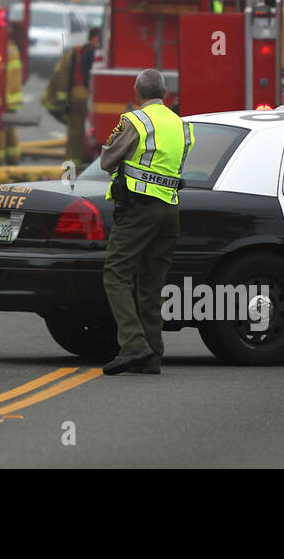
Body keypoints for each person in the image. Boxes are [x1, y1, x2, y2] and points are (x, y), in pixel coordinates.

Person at [99, 69, 194, 376]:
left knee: (116, 273)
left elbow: (107, 160)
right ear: (165, 93)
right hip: (170, 210)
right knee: (151, 283)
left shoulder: (135, 120)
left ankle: (133, 344)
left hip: (140, 208)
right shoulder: (181, 124)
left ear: (137, 92)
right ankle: (152, 356)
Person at [43, 27, 100, 166]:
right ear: (95, 37)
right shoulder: (97, 53)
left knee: (77, 130)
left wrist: (61, 99)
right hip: (88, 95)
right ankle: (76, 164)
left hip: (80, 94)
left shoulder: (77, 52)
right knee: (81, 130)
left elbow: (61, 74)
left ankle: (74, 163)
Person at [0, 40, 23, 166]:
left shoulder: (0, 50)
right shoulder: (13, 48)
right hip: (12, 97)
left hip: (3, 97)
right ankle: (14, 158)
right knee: (10, 128)